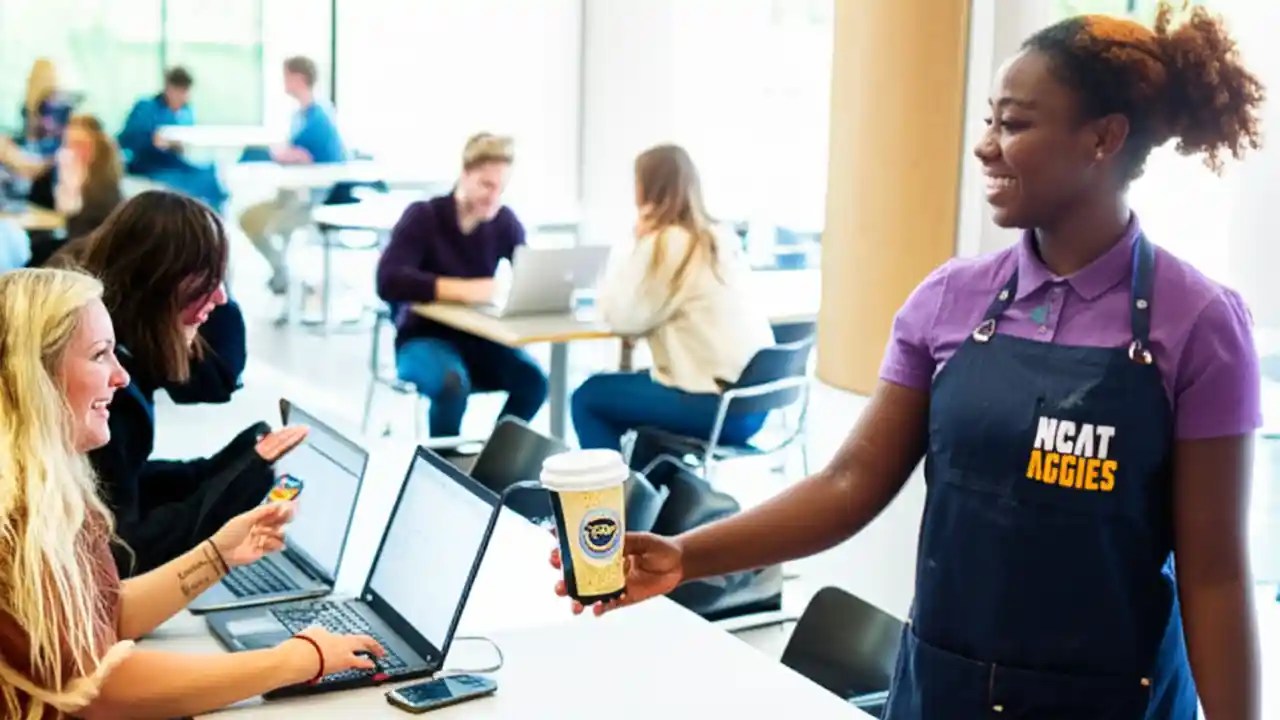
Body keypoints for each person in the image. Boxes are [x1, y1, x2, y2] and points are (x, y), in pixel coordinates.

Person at [553, 5, 1264, 719]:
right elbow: (849, 481)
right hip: (944, 693)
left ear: (1104, 138)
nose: (985, 146)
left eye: (1013, 124)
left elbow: (1215, 577)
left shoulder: (1199, 326)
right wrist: (685, 556)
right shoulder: (949, 300)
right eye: (989, 120)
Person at [0, 267, 382, 720]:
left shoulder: (47, 488)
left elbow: (108, 612)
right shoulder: (17, 516)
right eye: (100, 355)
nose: (121, 376)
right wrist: (296, 660)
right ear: (35, 375)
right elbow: (99, 689)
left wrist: (219, 554)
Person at [54, 190, 306, 577]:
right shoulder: (103, 385)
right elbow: (120, 554)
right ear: (158, 282)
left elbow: (124, 484)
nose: (221, 298)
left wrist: (236, 463)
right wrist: (232, 491)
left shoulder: (122, 342)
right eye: (208, 279)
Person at [571, 144, 774, 451]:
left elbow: (620, 317)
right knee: (642, 394)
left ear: (645, 189)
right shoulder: (719, 237)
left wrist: (636, 242)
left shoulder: (667, 243)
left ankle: (608, 499)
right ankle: (650, 494)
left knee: (587, 397)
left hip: (715, 408)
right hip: (754, 406)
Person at [376, 132, 548, 438]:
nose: (493, 196)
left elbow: (530, 274)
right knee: (452, 384)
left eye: (501, 188)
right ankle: (444, 473)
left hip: (479, 340)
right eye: (486, 185)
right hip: (421, 340)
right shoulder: (424, 216)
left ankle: (495, 461)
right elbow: (388, 279)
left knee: (534, 383)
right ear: (465, 174)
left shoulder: (504, 222)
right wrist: (465, 289)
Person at [239, 55, 347, 295]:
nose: (283, 82)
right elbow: (288, 154)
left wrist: (284, 154)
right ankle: (283, 273)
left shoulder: (319, 118)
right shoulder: (301, 117)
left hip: (312, 202)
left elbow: (297, 156)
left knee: (267, 224)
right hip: (290, 196)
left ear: (299, 78)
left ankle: (286, 277)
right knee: (248, 219)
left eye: (286, 76)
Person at [117, 66, 228, 211]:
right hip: (148, 164)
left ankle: (214, 216)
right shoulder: (146, 107)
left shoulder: (185, 113)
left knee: (209, 174)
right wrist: (152, 139)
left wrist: (178, 146)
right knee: (180, 184)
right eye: (179, 92)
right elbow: (125, 139)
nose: (182, 97)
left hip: (174, 162)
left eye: (185, 92)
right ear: (169, 89)